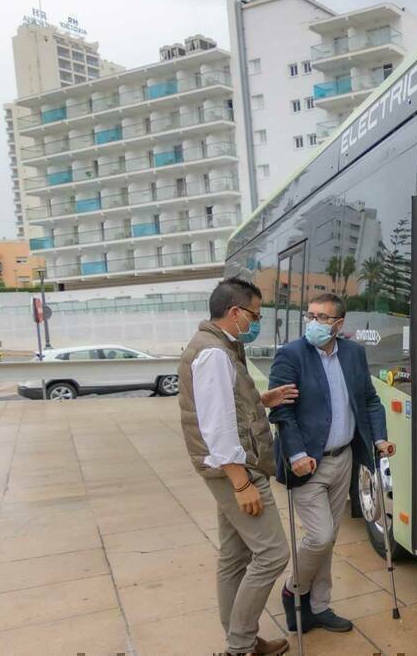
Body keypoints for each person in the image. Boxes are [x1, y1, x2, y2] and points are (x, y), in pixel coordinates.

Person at [178, 278, 298, 656]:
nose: (256, 321)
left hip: (228, 468)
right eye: (255, 315)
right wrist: (242, 483)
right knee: (273, 554)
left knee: (235, 556)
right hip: (235, 469)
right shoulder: (214, 353)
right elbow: (216, 424)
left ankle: (241, 641)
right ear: (235, 312)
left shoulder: (216, 345)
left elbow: (225, 401)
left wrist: (260, 399)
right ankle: (240, 646)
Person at [268, 292, 394, 634]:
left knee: (330, 538)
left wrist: (379, 438)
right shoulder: (291, 355)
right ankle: (294, 590)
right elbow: (281, 412)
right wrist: (296, 455)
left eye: (322, 317)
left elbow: (370, 400)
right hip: (307, 463)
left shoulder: (353, 353)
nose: (314, 322)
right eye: (310, 315)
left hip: (343, 459)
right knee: (320, 536)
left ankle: (319, 606)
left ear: (338, 324)